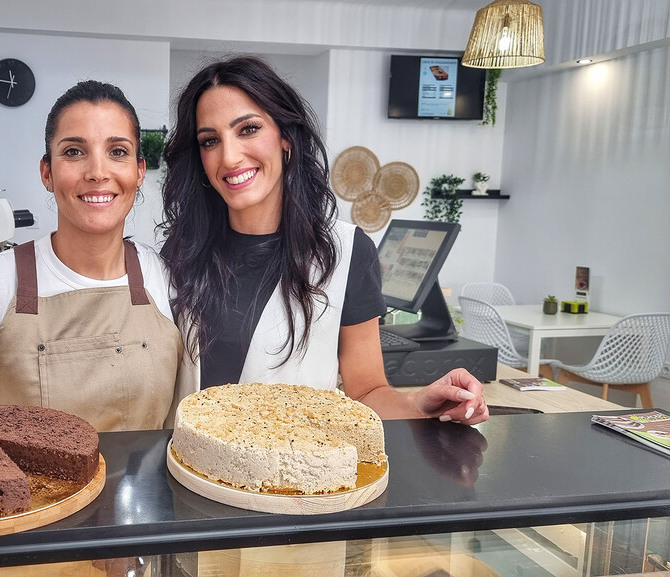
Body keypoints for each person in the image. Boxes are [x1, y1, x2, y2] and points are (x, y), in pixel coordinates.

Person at [160, 55, 489, 425]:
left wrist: (418, 403)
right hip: (188, 471)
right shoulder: (180, 254)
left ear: (286, 138)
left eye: (248, 129)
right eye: (209, 141)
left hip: (290, 475)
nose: (229, 156)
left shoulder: (346, 252)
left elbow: (366, 392)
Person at [0, 80, 183, 432]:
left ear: (139, 171)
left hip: (149, 489)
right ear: (47, 173)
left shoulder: (163, 276)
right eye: (73, 152)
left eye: (117, 151)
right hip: (22, 490)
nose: (98, 172)